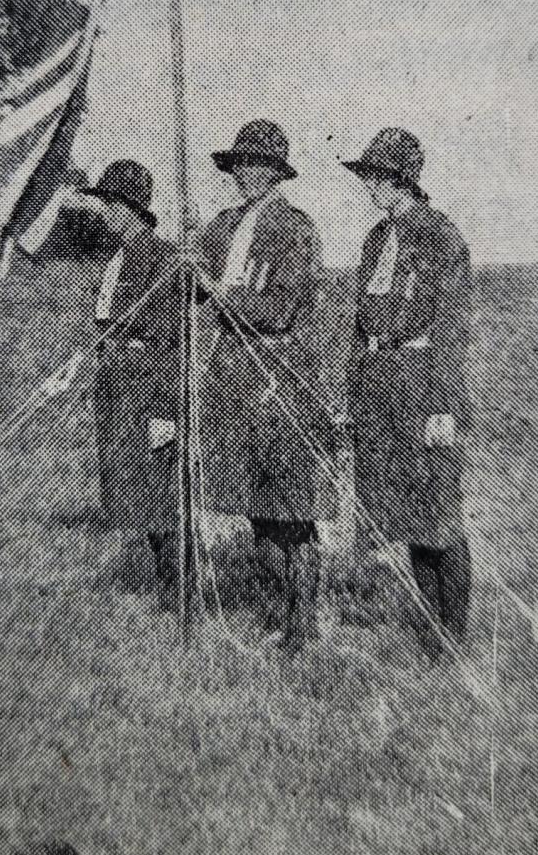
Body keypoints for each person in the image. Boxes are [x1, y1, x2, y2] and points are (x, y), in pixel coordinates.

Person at [196, 120, 335, 646]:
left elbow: (280, 309)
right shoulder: (222, 225)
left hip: (279, 378)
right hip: (231, 377)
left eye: (257, 165)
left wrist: (221, 293)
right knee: (254, 506)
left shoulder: (296, 229)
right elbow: (196, 289)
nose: (245, 174)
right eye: (239, 165)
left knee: (290, 509)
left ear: (277, 172)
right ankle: (282, 615)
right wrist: (188, 268)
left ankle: (304, 623)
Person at [342, 127, 474, 658]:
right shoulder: (376, 238)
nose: (370, 186)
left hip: (423, 386)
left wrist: (442, 406)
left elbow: (452, 328)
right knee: (406, 515)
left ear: (402, 180)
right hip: (378, 386)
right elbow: (360, 322)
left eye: (378, 177)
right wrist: (354, 386)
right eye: (368, 176)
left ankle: (453, 638)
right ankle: (431, 635)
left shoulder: (442, 236)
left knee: (438, 512)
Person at [79, 161, 181, 596]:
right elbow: (106, 326)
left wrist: (163, 409)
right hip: (116, 383)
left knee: (159, 488)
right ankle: (165, 581)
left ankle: (180, 587)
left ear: (131, 208)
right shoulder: (116, 259)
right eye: (103, 203)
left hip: (147, 385)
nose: (104, 212)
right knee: (130, 484)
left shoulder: (161, 256)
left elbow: (168, 337)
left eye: (110, 203)